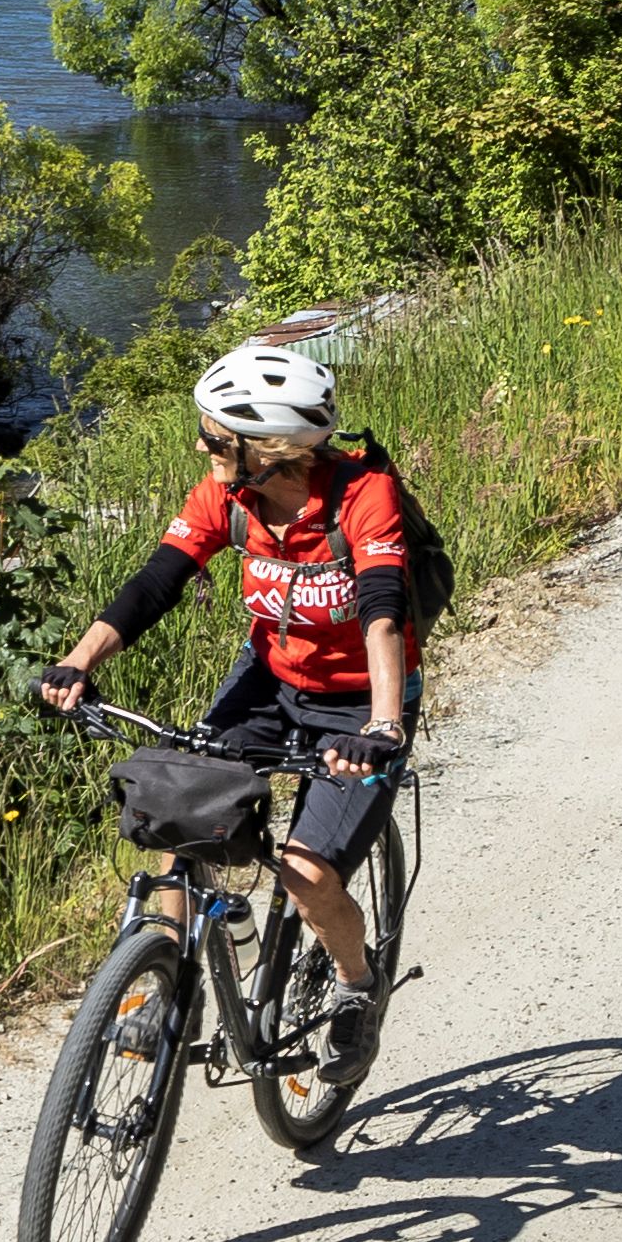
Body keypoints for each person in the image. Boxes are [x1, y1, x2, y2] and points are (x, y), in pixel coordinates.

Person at [34, 342, 411, 1064]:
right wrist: (78, 661)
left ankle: (357, 983)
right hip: (268, 678)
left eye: (214, 437)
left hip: (360, 697)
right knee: (175, 805)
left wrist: (383, 724)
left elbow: (383, 612)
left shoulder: (364, 496)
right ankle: (165, 981)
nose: (201, 446)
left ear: (265, 450)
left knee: (305, 873)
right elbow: (155, 583)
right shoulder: (226, 496)